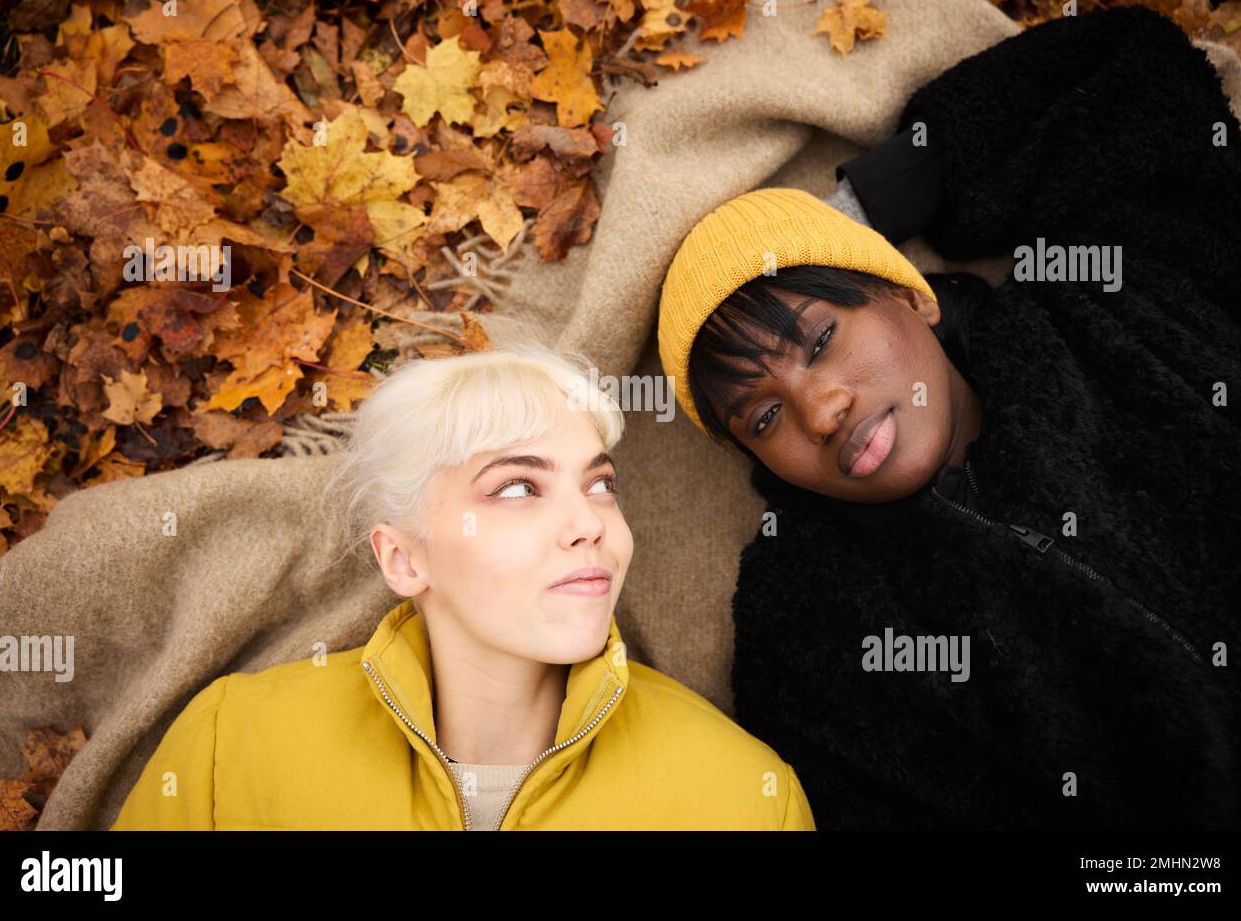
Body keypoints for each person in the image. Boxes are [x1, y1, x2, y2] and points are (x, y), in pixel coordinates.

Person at [656, 5, 1241, 829]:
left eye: (824, 339)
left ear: (911, 293)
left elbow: (1132, 72)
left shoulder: (1106, 313)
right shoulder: (815, 632)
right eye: (763, 418)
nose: (821, 409)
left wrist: (869, 203)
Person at [111, 342, 815, 830]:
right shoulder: (229, 746)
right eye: (517, 486)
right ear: (404, 559)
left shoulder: (745, 798)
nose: (588, 523)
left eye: (600, 484)